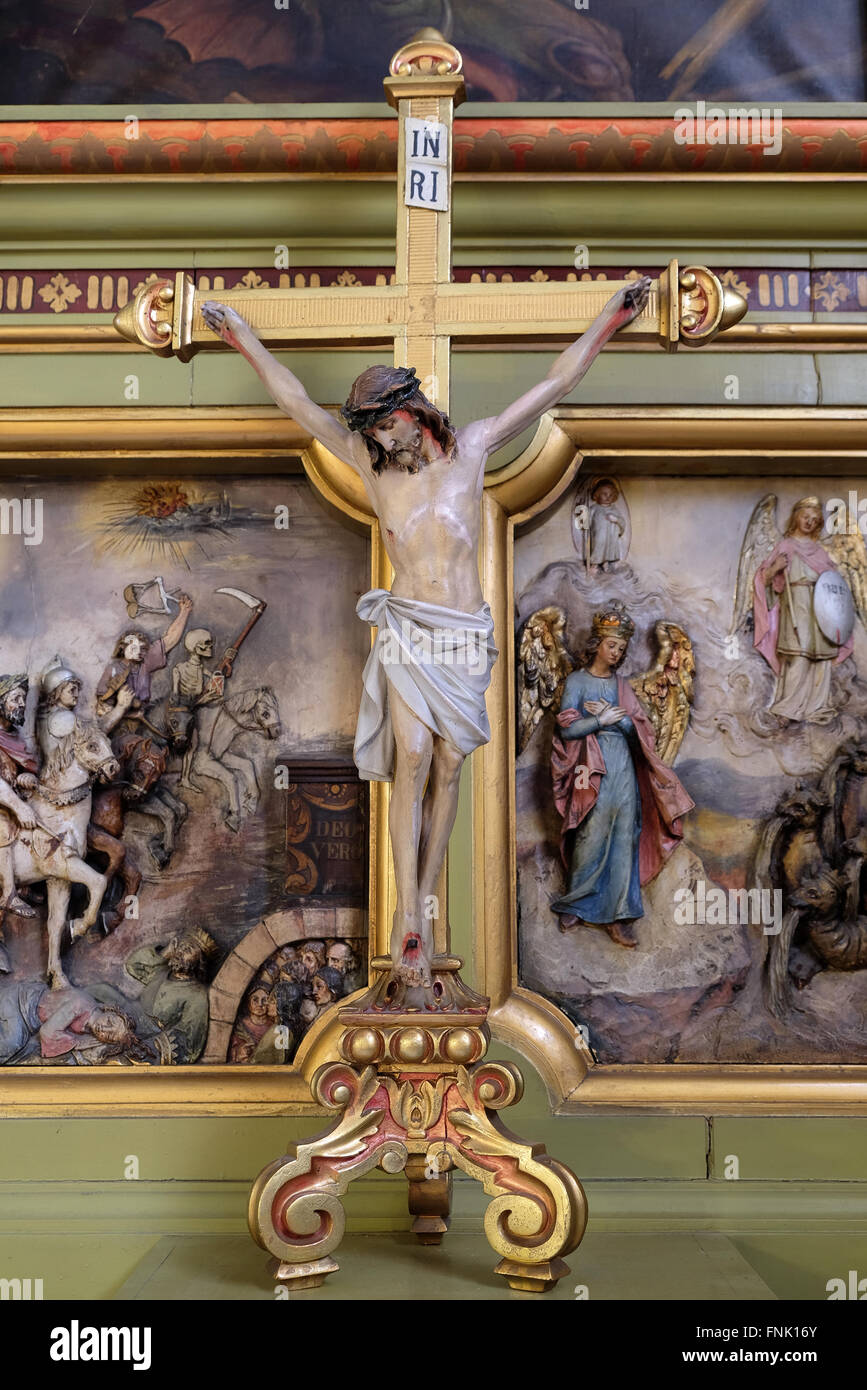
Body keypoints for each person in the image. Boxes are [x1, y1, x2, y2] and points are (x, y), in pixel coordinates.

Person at [201, 277, 651, 987]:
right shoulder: (372, 469)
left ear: (413, 413)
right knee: (409, 756)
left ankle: (426, 909)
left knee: (447, 766)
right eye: (372, 431)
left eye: (387, 426)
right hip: (410, 626)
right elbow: (296, 403)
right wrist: (243, 340)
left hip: (463, 635)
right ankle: (408, 918)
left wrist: (608, 321)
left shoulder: (470, 451)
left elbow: (552, 384)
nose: (380, 439)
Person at [550, 606, 694, 948]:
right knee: (591, 831)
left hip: (623, 769)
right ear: (598, 643)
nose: (617, 653)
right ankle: (578, 902)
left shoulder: (621, 686)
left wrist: (620, 720)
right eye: (612, 645)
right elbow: (566, 730)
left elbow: (640, 732)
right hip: (591, 768)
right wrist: (599, 722)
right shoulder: (578, 682)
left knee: (624, 835)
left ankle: (620, 914)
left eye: (621, 649)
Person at [754, 497, 852, 724]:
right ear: (796, 516)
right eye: (806, 517)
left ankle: (817, 707)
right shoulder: (786, 545)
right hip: (796, 603)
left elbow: (835, 583)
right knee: (799, 653)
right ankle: (788, 708)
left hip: (821, 607)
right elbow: (764, 579)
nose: (809, 522)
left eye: (815, 520)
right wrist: (775, 569)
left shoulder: (820, 551)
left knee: (821, 658)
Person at [97, 595, 193, 737]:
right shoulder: (113, 670)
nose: (140, 652)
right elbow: (102, 710)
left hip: (144, 720)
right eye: (135, 648)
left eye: (143, 649)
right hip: (120, 727)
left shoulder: (145, 662)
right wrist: (129, 713)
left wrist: (184, 612)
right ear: (123, 648)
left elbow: (170, 639)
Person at [0, 673, 39, 926]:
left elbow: (24, 770)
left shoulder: (14, 736)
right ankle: (9, 894)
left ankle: (27, 880)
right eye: (15, 698)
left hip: (12, 797)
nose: (22, 704)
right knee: (3, 826)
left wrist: (27, 778)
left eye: (24, 699)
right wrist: (18, 805)